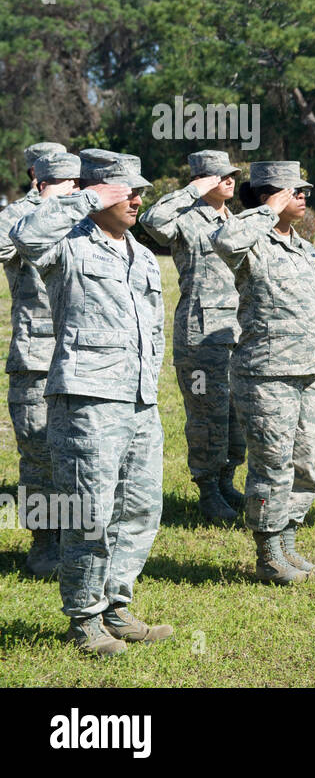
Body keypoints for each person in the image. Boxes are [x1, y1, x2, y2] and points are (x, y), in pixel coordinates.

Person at [12, 150, 172, 657]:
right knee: (88, 512)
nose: (138, 200)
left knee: (140, 506)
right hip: (88, 398)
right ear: (102, 192)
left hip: (140, 399)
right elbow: (25, 237)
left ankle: (115, 604)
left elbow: (155, 328)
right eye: (127, 191)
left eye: (140, 192)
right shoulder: (68, 245)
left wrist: (150, 383)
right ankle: (84, 618)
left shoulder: (143, 255)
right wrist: (84, 199)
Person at [211, 161, 315, 585]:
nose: (302, 196)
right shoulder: (251, 240)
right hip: (266, 372)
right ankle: (267, 551)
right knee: (271, 464)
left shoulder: (302, 245)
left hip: (308, 370)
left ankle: (288, 544)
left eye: (304, 190)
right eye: (291, 190)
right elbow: (223, 238)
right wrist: (265, 212)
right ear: (267, 195)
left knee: (303, 463)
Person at [139, 150, 246, 523]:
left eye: (232, 174)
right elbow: (151, 220)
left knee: (236, 413)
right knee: (207, 415)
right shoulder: (185, 219)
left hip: (238, 330)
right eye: (220, 175)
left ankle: (228, 480)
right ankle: (208, 490)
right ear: (202, 179)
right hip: (200, 337)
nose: (229, 180)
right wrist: (192, 191)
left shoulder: (237, 220)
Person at [0, 144, 77, 576]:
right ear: (38, 175)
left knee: (79, 447)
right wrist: (40, 206)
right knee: (38, 450)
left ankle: (77, 535)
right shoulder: (18, 214)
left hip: (83, 349)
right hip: (36, 353)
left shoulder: (80, 212)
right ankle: (44, 542)